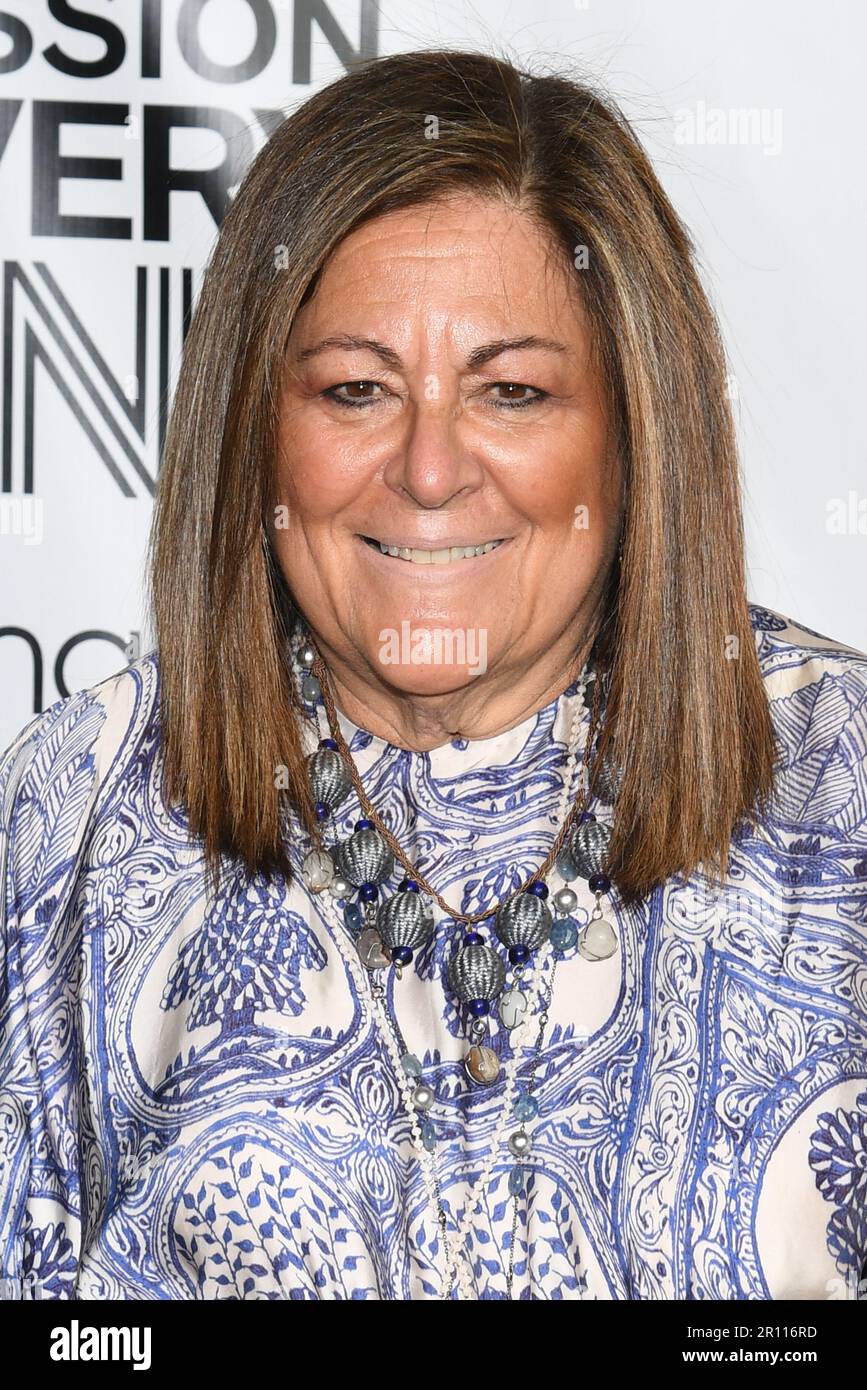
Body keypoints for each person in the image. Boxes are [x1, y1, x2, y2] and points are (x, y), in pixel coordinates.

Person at [1, 48, 865, 1302]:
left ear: (637, 429)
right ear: (255, 426)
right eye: (356, 389)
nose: (425, 467)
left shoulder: (841, 778)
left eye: (512, 391)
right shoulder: (64, 816)